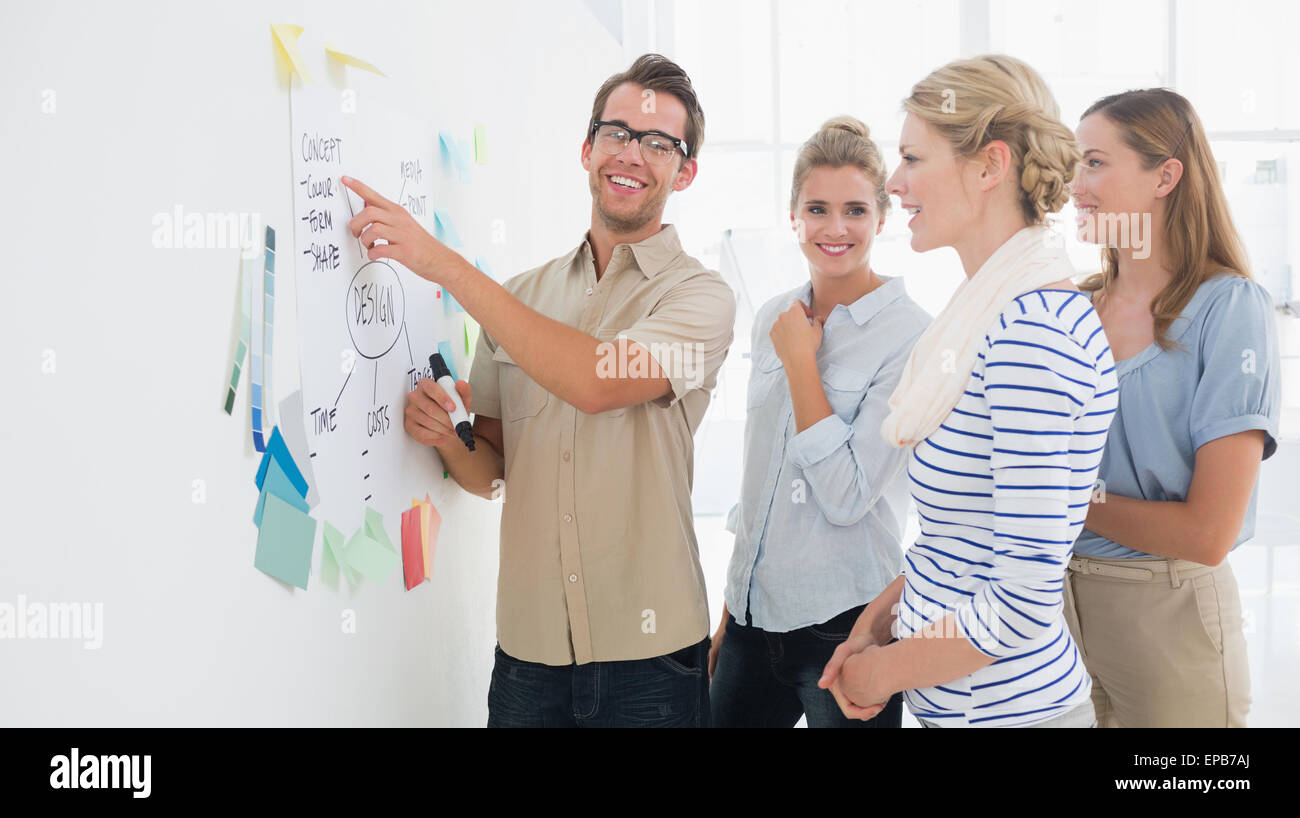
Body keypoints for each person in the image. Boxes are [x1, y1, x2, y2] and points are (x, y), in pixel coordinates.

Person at [341, 54, 736, 727]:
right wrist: (448, 437)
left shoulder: (701, 297)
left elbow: (593, 379)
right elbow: (490, 469)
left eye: (658, 143)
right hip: (528, 659)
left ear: (684, 170)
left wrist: (442, 264)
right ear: (587, 150)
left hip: (652, 661)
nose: (631, 155)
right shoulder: (522, 295)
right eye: (617, 133)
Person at [818, 54, 1116, 727]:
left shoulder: (1030, 336)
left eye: (913, 159)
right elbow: (965, 546)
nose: (894, 182)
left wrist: (880, 674)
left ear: (989, 166)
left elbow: (1021, 600)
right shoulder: (991, 313)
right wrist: (880, 619)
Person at [1065, 88, 1280, 728]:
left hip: (1170, 619)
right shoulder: (1070, 306)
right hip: (1055, 616)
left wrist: (1062, 499)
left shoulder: (1230, 306)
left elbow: (1207, 533)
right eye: (1075, 163)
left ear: (1165, 175)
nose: (1074, 184)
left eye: (1095, 162)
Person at [708, 117, 930, 728]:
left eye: (855, 210)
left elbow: (846, 496)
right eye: (818, 209)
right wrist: (732, 610)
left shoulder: (912, 335)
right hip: (753, 619)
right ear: (794, 215)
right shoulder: (775, 315)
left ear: (881, 218)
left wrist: (803, 365)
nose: (836, 229)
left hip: (847, 625)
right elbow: (759, 482)